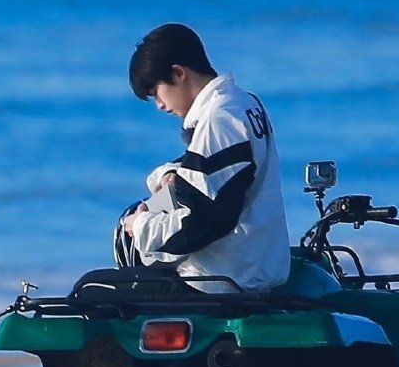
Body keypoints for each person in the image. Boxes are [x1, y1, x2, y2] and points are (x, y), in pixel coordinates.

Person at [120, 23, 291, 292]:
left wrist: (140, 226)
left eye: (157, 94)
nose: (160, 106)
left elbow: (203, 222)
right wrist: (169, 174)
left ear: (178, 74)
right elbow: (223, 172)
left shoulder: (219, 118)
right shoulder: (244, 103)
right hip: (255, 266)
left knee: (107, 295)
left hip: (224, 279)